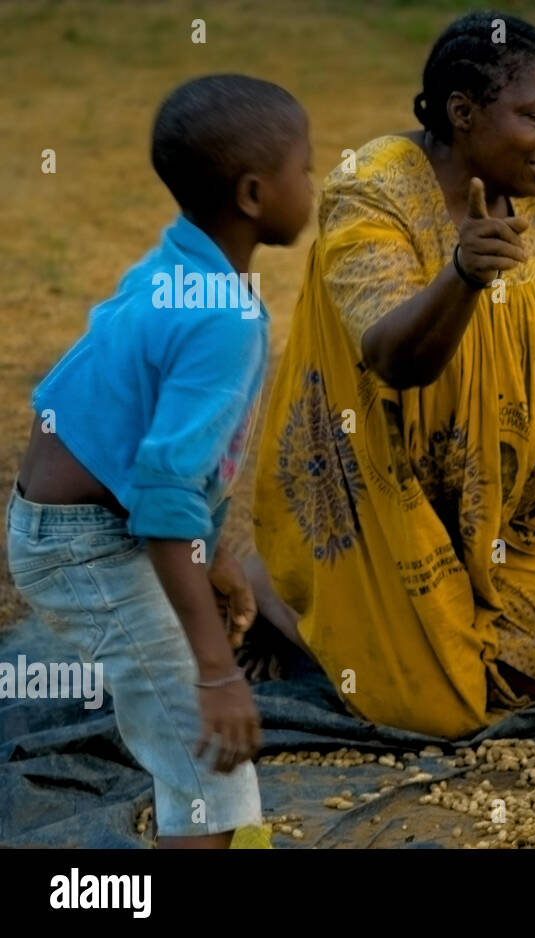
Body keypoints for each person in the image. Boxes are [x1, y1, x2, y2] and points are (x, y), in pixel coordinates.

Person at [248, 10, 535, 738]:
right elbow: (397, 361)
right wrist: (462, 272)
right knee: (437, 710)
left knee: (534, 679)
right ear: (463, 113)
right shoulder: (371, 192)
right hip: (382, 479)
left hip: (495, 500)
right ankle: (278, 587)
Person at [6, 75, 315, 847]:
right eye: (305, 170)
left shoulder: (178, 264)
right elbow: (164, 492)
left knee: (199, 747)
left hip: (70, 522)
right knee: (208, 756)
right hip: (85, 546)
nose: (314, 184)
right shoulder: (224, 319)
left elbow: (159, 453)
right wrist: (215, 671)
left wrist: (212, 562)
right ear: (252, 193)